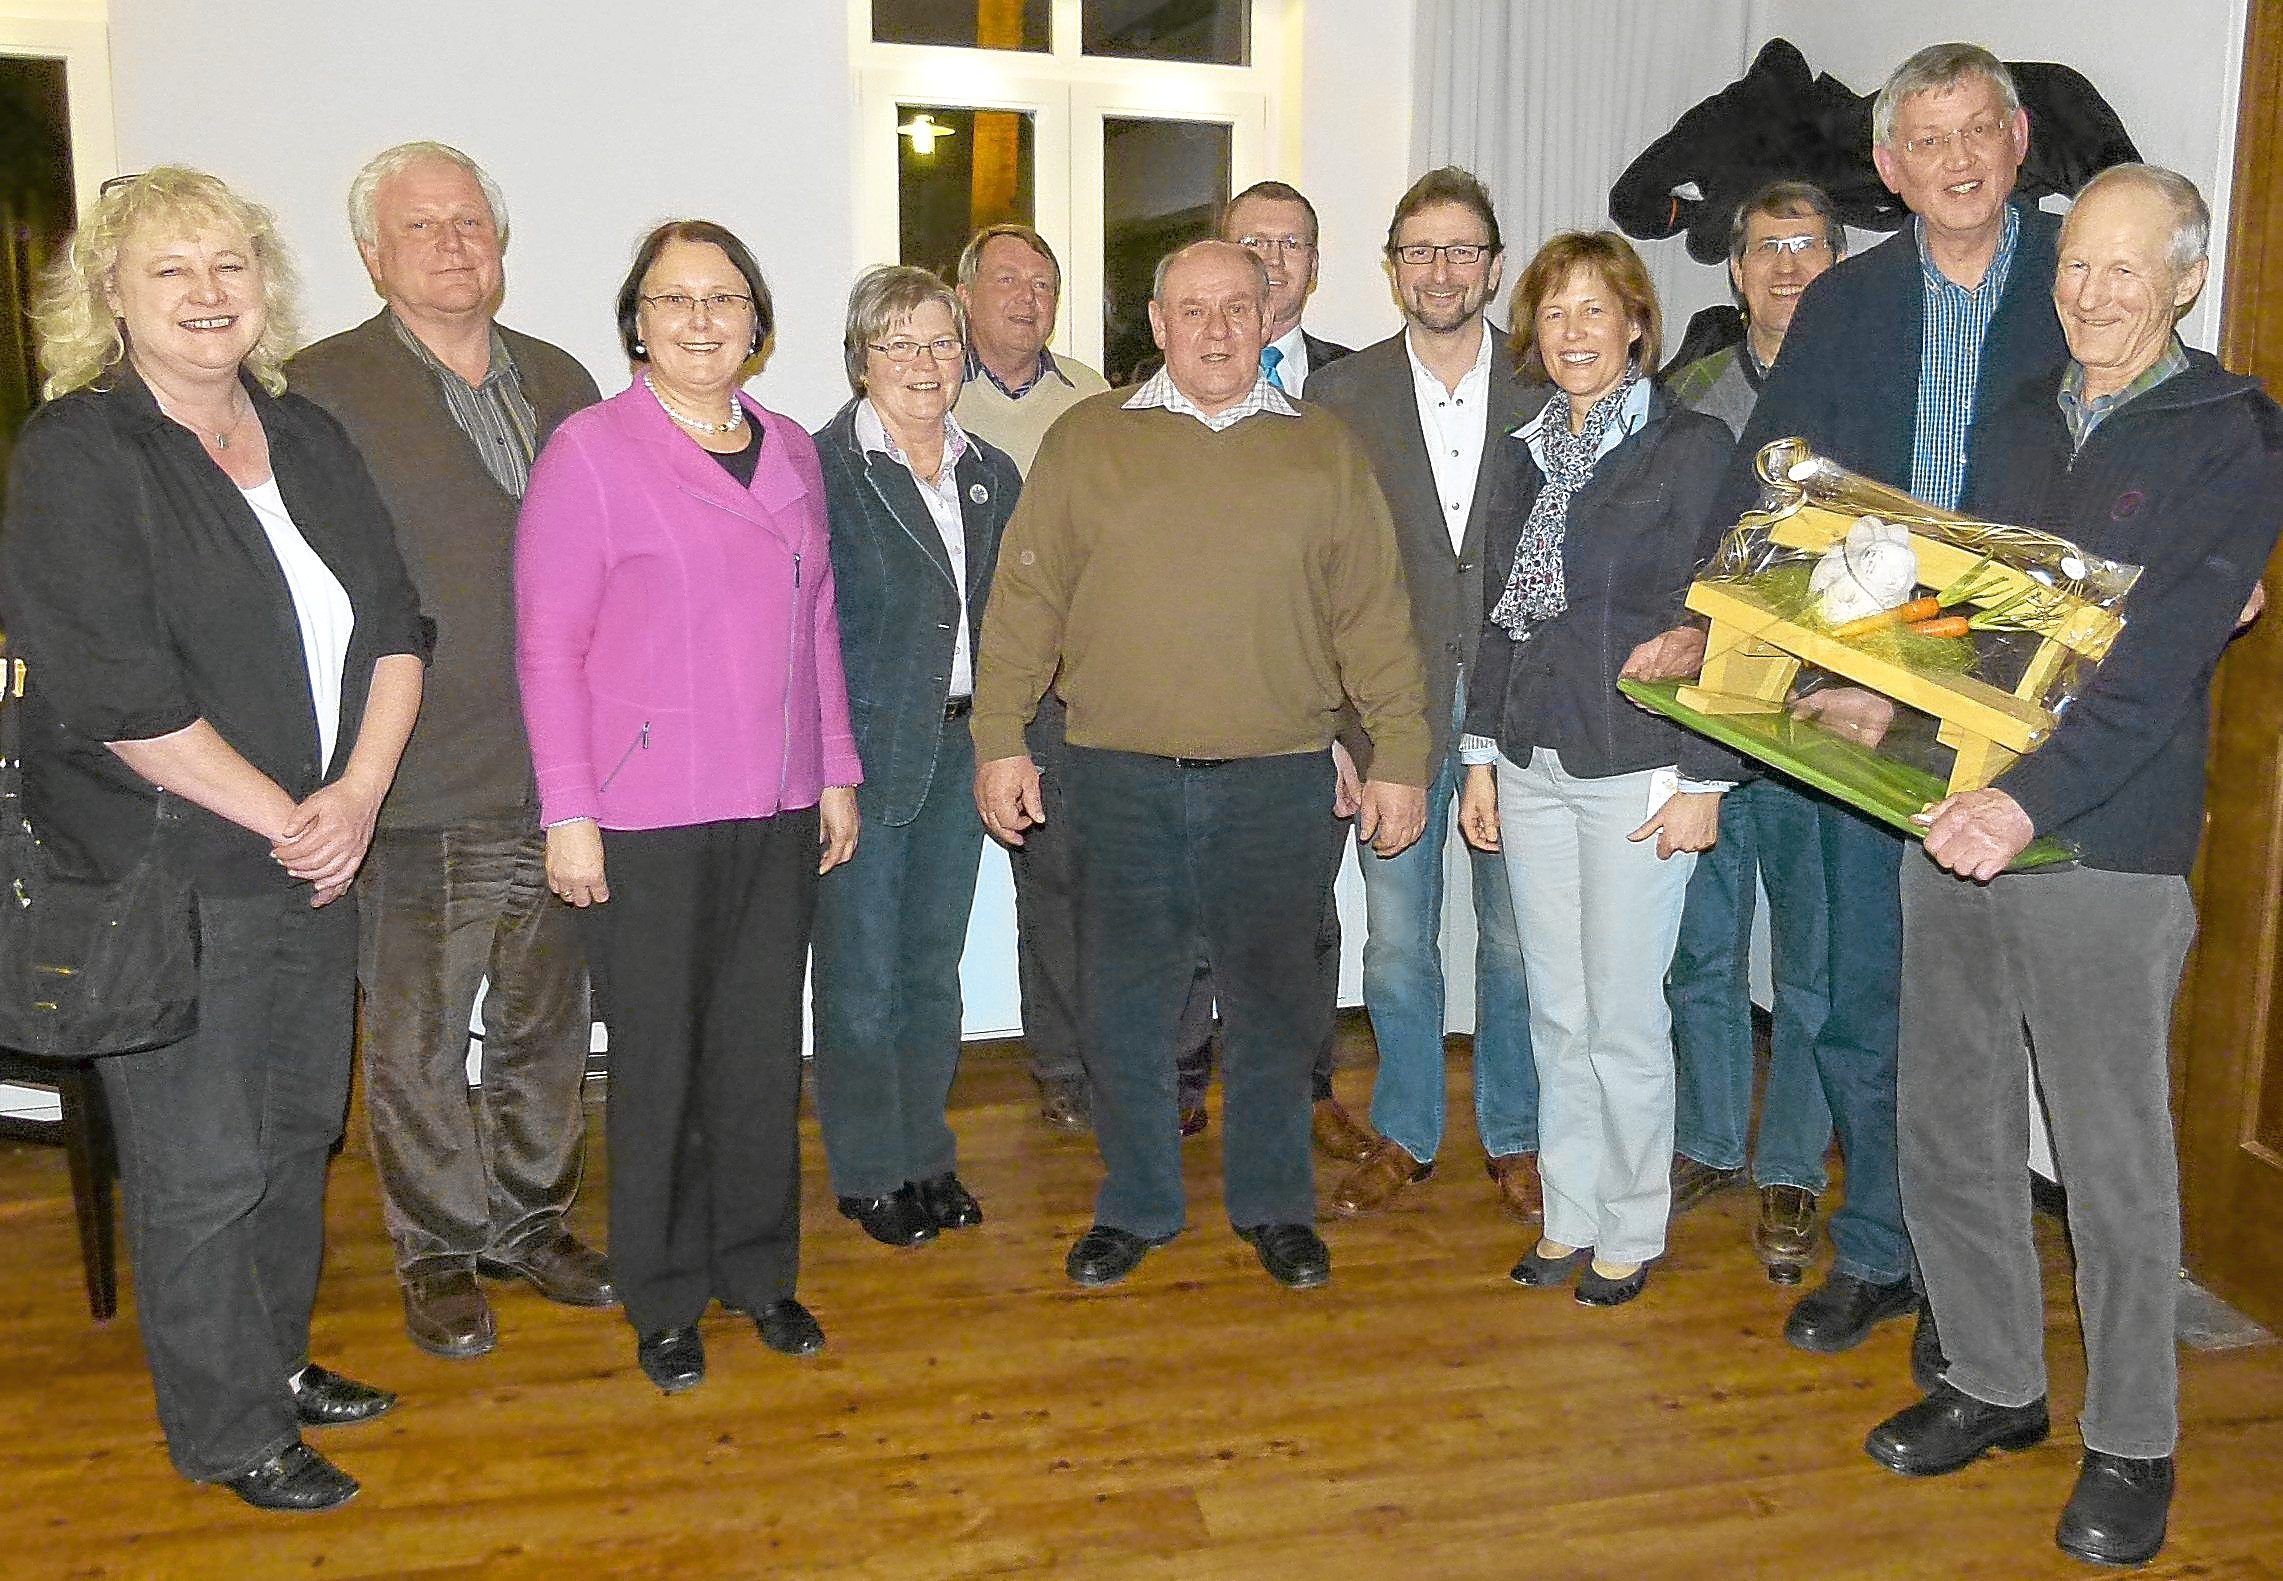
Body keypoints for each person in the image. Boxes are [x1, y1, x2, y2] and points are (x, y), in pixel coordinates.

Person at [1864, 163, 2281, 1571]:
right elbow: (1969, 610)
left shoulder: (2226, 433)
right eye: (2070, 271)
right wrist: (1875, 687)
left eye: (2120, 272)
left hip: (2100, 843)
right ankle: (1989, 1378)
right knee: (1949, 1117)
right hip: (1956, 813)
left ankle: (2133, 1439)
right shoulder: (2013, 419)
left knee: (2111, 1163)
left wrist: (2022, 800)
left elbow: (2155, 660)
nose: (2089, 297)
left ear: (2180, 281)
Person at [0, 167, 428, 1511]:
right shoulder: (79, 452)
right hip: (171, 870)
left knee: (297, 1132)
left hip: (318, 849)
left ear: (265, 285)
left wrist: (354, 793)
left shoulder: (303, 432)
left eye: (229, 265)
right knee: (200, 1162)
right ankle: (225, 1429)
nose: (205, 294)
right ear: (109, 297)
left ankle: (273, 1361)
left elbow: (397, 628)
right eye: (169, 270)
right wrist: (291, 816)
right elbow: (121, 698)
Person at [971, 239, 1430, 1292]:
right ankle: (1137, 1203)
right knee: (1124, 1011)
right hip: (1115, 778)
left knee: (1277, 1014)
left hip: (1276, 783)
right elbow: (1025, 603)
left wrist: (1398, 752)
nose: (1218, 329)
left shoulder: (1325, 450)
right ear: (1157, 323)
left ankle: (1274, 1205)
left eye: (1238, 307)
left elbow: (1375, 618)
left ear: (1269, 316)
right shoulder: (1088, 441)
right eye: (1194, 310)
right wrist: (1000, 737)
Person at [1709, 42, 2066, 1363]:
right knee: (1851, 997)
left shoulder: (2081, 283)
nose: (1953, 158)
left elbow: (2163, 434)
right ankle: (1881, 1250)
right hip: (1857, 696)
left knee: (1971, 1019)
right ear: (1885, 167)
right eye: (1923, 140)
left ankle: (1967, 1288)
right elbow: (1771, 476)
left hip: (2015, 708)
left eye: (1973, 129)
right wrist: (1706, 626)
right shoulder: (1847, 302)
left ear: (2014, 135)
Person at [514, 220, 861, 1394]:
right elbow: (547, 647)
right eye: (675, 299)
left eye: (724, 298)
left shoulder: (795, 451)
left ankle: (759, 1271)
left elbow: (818, 625)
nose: (702, 318)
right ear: (637, 323)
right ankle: (663, 1292)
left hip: (773, 802)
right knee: (660, 1060)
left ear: (757, 322)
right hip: (642, 811)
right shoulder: (589, 452)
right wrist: (567, 810)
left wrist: (837, 769)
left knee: (761, 1053)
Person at [290, 141, 610, 1361]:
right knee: (418, 1041)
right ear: (372, 254)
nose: (453, 245)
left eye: (470, 222)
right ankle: (435, 1250)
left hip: (564, 780)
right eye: (421, 228)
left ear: (502, 242)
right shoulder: (318, 390)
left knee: (545, 1026)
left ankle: (530, 1223)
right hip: (417, 782)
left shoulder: (564, 377)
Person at [1457, 230, 1732, 1308]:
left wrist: (1704, 781)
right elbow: (1496, 617)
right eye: (1555, 313)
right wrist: (1480, 758)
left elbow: (1723, 620)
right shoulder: (1523, 451)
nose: (1573, 333)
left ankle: (1632, 1224)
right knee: (1557, 1011)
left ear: (1635, 326)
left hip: (1638, 768)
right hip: (1529, 760)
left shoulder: (1691, 448)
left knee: (1623, 1013)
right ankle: (1569, 1213)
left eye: (1593, 311)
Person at [1310, 166, 1541, 1221]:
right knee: (1398, 939)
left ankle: (1517, 1134)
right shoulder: (1340, 396)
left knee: (1513, 936)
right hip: (1388, 709)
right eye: (1419, 251)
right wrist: (1333, 730)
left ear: (1494, 267)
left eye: (1461, 250)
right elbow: (1313, 572)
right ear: (1392, 268)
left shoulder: (1551, 385)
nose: (1440, 270)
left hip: (1516, 707)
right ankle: (1407, 1131)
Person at [810, 266, 1021, 1248]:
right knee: (861, 974)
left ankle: (926, 1154)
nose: (924, 364)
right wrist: (827, 770)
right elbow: (798, 632)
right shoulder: (822, 472)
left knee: (932, 970)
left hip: (962, 744)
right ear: (862, 360)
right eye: (899, 344)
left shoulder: (992, 473)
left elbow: (1014, 625)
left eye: (940, 342)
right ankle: (867, 1167)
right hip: (864, 754)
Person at [1660, 181, 1845, 1278]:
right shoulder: (1687, 396)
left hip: (1829, 726)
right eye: (1766, 246)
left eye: (1808, 245)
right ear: (1734, 271)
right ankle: (1710, 1140)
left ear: (1838, 259)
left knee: (1816, 966)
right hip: (1712, 724)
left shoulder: (1871, 388)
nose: (1786, 265)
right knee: (1703, 952)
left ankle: (1792, 1170)